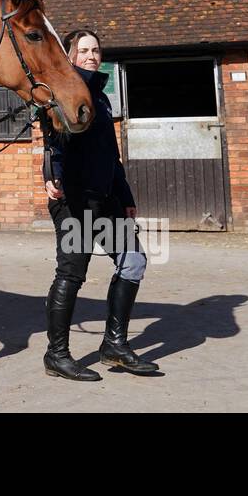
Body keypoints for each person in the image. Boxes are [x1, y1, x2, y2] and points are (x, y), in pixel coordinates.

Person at [42, 28, 158, 381]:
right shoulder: (60, 91)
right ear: (70, 56)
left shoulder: (103, 99)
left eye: (95, 50)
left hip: (106, 198)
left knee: (134, 261)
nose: (92, 56)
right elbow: (53, 140)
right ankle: (57, 355)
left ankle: (115, 345)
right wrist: (52, 175)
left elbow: (112, 154)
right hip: (74, 200)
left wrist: (126, 198)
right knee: (73, 272)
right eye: (84, 50)